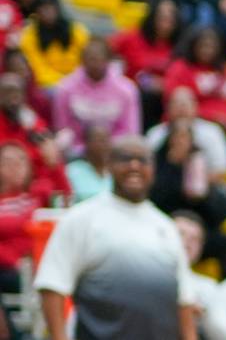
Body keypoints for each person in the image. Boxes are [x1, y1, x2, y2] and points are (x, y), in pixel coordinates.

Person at [34, 136, 198, 340]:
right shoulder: (81, 218)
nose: (134, 166)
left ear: (153, 169)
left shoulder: (165, 226)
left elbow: (184, 299)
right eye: (125, 158)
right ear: (109, 165)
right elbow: (52, 285)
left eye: (143, 160)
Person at [148, 121, 226, 257]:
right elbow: (155, 198)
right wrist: (174, 167)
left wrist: (205, 194)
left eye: (185, 137)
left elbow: (219, 211)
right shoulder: (157, 164)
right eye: (177, 137)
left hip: (198, 221)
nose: (181, 142)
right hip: (165, 220)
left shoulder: (199, 163)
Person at [165, 27, 226, 150]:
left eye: (211, 47)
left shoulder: (223, 70)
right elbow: (175, 103)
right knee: (214, 134)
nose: (207, 50)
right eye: (203, 46)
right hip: (195, 123)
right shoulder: (181, 68)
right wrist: (214, 118)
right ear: (193, 46)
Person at [51, 39, 141, 156]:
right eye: (90, 59)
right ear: (82, 61)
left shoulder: (126, 89)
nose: (94, 64)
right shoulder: (65, 88)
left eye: (98, 60)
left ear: (108, 60)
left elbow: (130, 130)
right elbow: (62, 127)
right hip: (77, 150)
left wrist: (104, 147)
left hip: (114, 151)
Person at [111, 0, 184, 129]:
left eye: (171, 20)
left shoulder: (181, 46)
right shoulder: (132, 37)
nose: (165, 24)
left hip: (166, 99)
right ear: (152, 17)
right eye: (162, 18)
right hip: (133, 96)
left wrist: (164, 84)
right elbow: (104, 50)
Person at [0, 73, 69, 200]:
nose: (13, 99)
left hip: (29, 192)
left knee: (46, 187)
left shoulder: (34, 125)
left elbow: (50, 163)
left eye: (17, 93)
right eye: (7, 93)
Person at [0, 143, 43, 337]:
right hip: (9, 269)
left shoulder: (36, 196)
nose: (15, 166)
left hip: (38, 267)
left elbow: (62, 190)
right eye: (7, 162)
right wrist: (12, 260)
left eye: (21, 160)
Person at [173, 211, 226, 340]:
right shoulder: (140, 273)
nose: (187, 242)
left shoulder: (207, 286)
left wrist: (204, 313)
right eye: (181, 234)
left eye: (195, 239)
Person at [147, 88, 226, 183]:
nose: (181, 109)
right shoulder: (156, 134)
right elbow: (148, 168)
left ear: (196, 107)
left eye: (185, 104)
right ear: (167, 108)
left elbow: (221, 170)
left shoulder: (212, 132)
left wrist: (194, 182)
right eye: (176, 104)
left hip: (205, 190)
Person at [18, 0, 88, 88]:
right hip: (48, 84)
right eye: (43, 8)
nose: (48, 12)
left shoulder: (76, 30)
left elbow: (85, 59)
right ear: (37, 12)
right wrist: (61, 83)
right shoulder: (29, 35)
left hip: (77, 80)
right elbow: (37, 67)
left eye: (51, 8)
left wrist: (74, 81)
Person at [65, 127, 112, 202]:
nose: (105, 145)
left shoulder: (116, 172)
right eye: (100, 141)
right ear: (87, 143)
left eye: (107, 140)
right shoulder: (72, 170)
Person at [2, 50, 50, 122]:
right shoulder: (5, 102)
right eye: (16, 69)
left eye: (24, 67)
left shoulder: (39, 98)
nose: (23, 73)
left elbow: (43, 126)